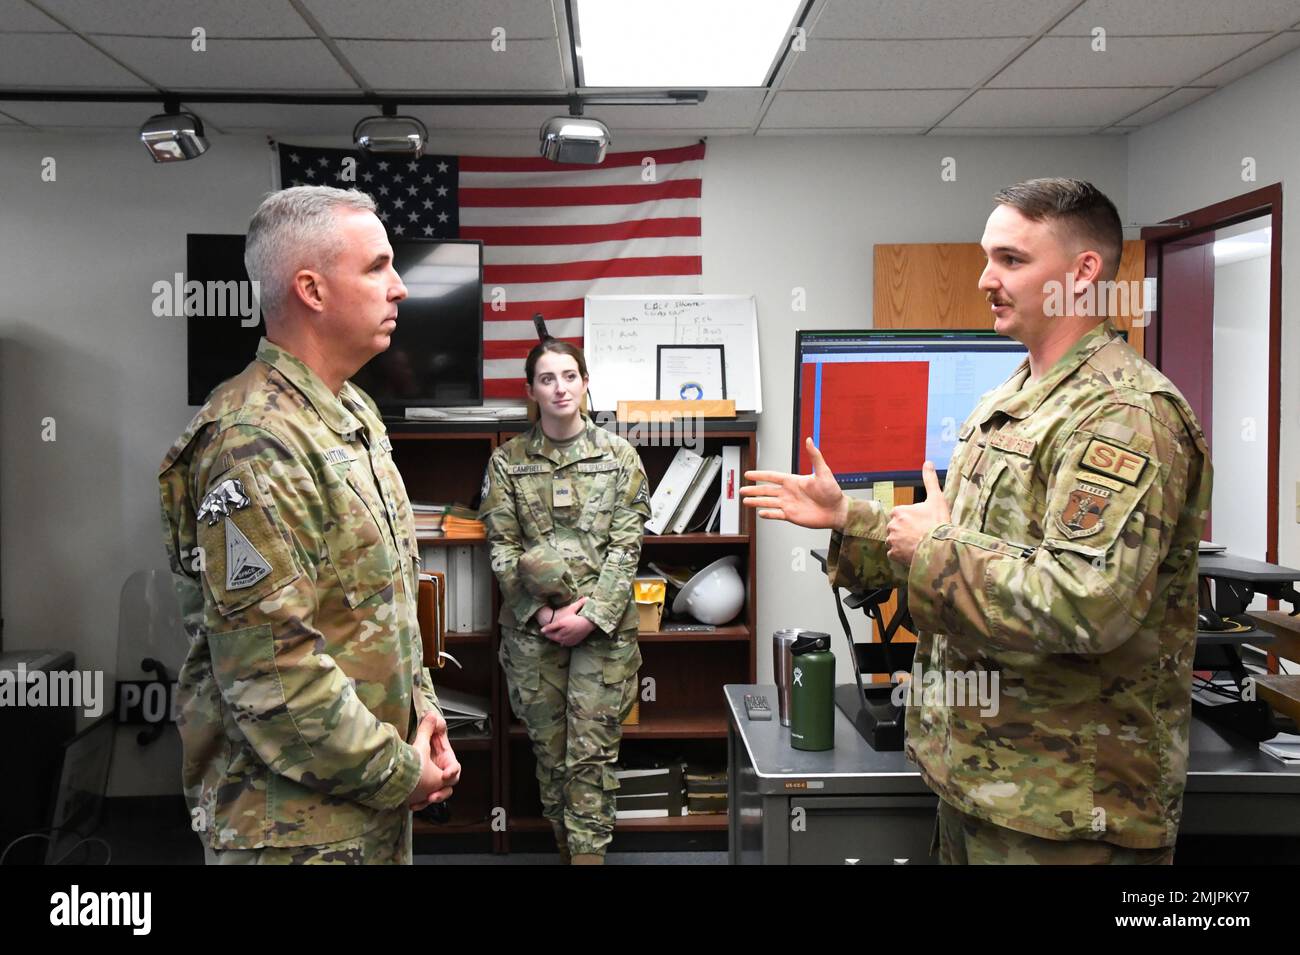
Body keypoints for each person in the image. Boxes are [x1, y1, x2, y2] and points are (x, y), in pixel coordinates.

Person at [742, 178, 1212, 864]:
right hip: (982, 778)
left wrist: (936, 543)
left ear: (1083, 273)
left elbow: (1086, 603)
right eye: (987, 258)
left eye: (1011, 260)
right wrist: (850, 516)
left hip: (1068, 809)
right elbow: (966, 539)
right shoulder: (1011, 398)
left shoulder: (1125, 414)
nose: (985, 279)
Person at [158, 186, 461, 865]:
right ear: (311, 290)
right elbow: (273, 672)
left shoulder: (351, 411)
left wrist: (424, 714)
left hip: (366, 804)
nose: (400, 287)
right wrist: (401, 770)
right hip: (293, 831)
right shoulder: (254, 440)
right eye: (377, 267)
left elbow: (385, 605)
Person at [479, 340, 650, 864]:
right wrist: (545, 613)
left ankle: (589, 857)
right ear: (530, 390)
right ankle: (567, 850)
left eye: (570, 376)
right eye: (547, 378)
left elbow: (627, 548)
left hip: (603, 632)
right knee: (552, 758)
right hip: (534, 632)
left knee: (591, 757)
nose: (560, 388)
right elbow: (502, 548)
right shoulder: (507, 461)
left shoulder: (619, 456)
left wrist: (590, 617)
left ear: (585, 382)